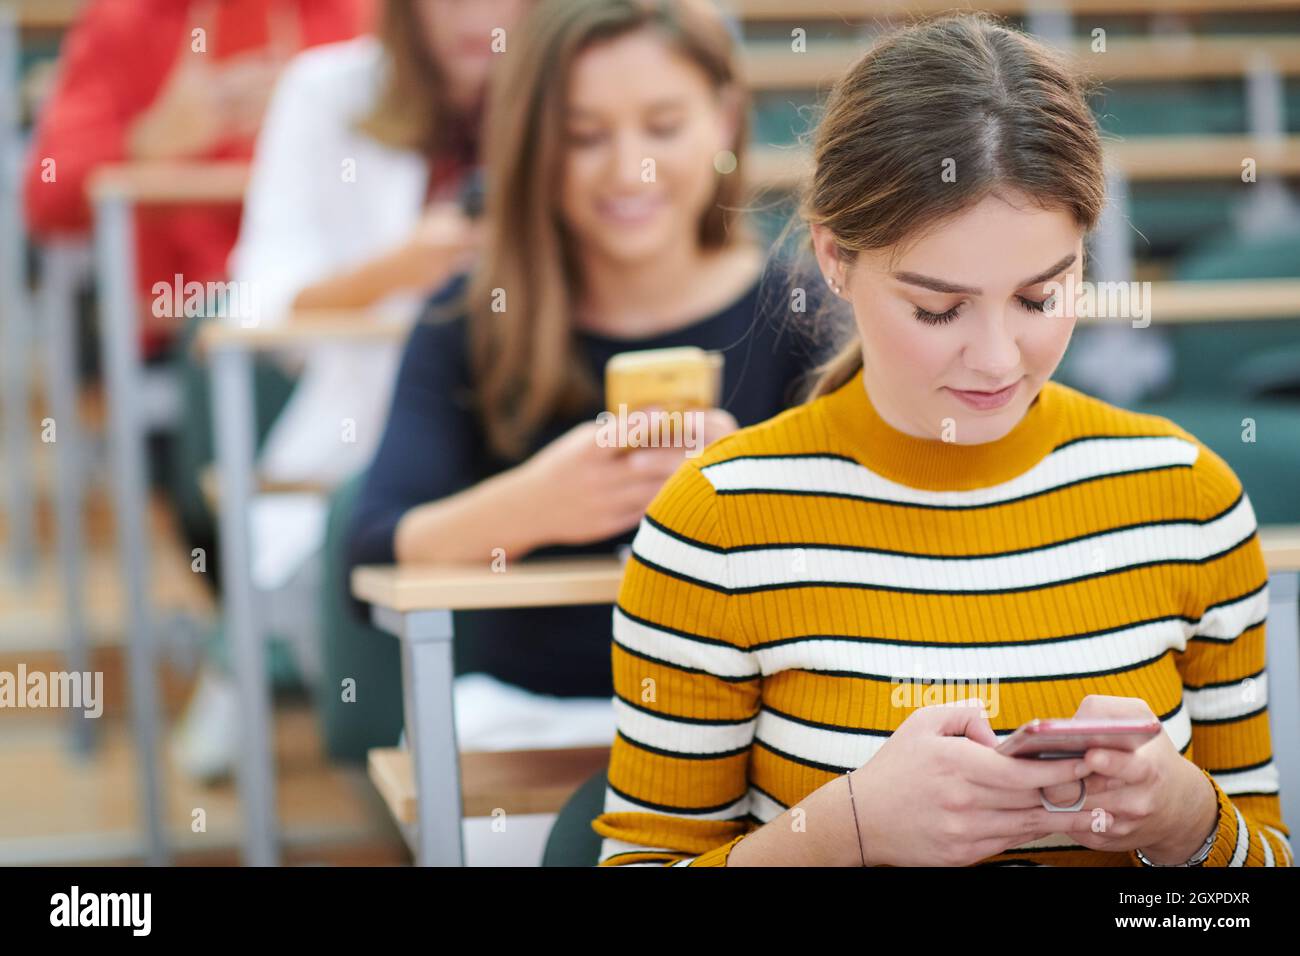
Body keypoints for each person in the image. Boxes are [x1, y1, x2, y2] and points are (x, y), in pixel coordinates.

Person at [592, 13, 1292, 867]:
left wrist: (1191, 824)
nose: (997, 360)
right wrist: (849, 831)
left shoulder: (1191, 500)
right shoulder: (716, 523)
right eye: (937, 308)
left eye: (1041, 297)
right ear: (836, 258)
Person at [346, 0, 826, 749]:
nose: (629, 167)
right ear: (533, 143)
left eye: (664, 126)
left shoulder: (805, 314)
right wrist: (541, 503)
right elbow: (370, 547)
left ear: (725, 120)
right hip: (534, 723)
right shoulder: (467, 322)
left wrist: (747, 494)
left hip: (770, 723)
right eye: (583, 136)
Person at [170, 0, 532, 781]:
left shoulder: (584, 80)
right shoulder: (326, 92)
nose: (480, 12)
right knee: (343, 590)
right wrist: (398, 270)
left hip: (537, 428)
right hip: (359, 435)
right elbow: (261, 305)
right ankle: (252, 665)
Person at [22, 0, 372, 358]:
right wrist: (145, 142)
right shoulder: (125, 17)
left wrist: (312, 120)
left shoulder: (356, 14)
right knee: (241, 329)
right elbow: (45, 194)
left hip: (342, 291)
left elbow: (408, 171)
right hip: (185, 310)